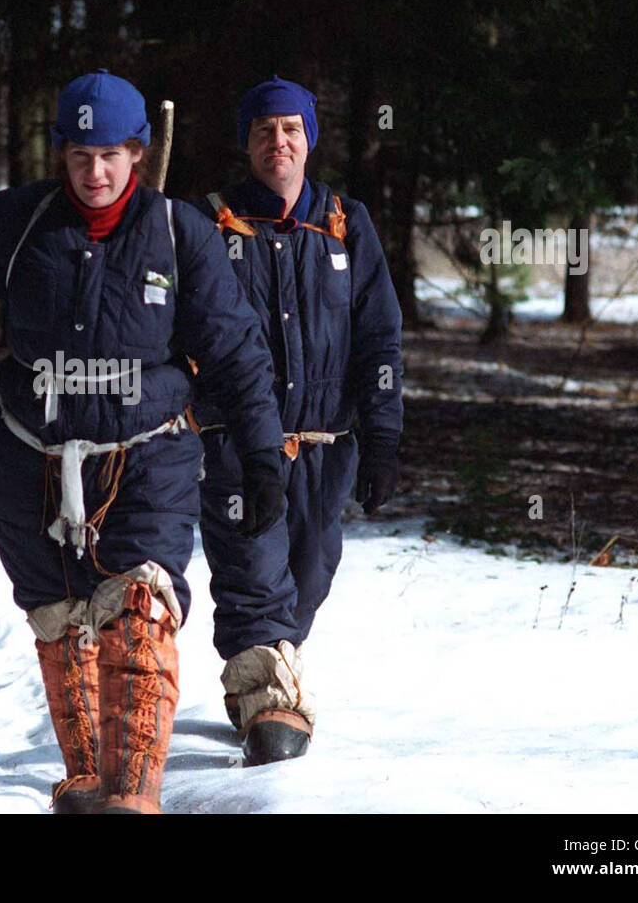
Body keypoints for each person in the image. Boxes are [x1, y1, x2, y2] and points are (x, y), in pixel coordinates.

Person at [0, 70, 284, 813]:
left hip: (147, 458)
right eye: (79, 155)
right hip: (28, 461)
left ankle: (134, 793)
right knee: (63, 622)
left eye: (110, 154)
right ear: (61, 154)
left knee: (139, 611)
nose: (95, 172)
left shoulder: (178, 232)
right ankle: (89, 776)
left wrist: (263, 453)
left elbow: (236, 351)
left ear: (138, 152)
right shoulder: (17, 222)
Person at [194, 75, 404, 765]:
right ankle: (269, 700)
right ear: (245, 143)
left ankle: (262, 672)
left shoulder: (347, 223)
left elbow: (378, 338)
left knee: (309, 574)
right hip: (235, 445)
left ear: (308, 138)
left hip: (324, 447)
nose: (276, 141)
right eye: (262, 129)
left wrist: (382, 438)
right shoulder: (210, 221)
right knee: (255, 576)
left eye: (289, 128)